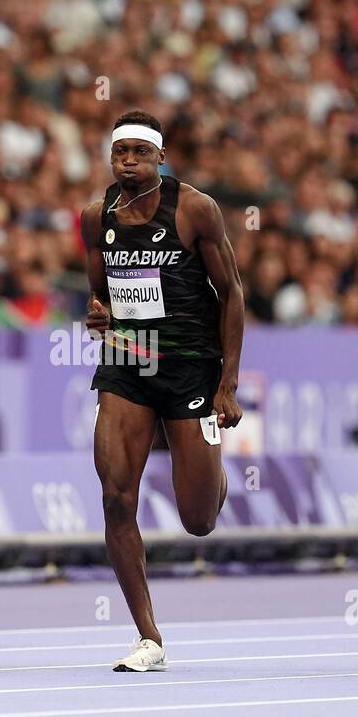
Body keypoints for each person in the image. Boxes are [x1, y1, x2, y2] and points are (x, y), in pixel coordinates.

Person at [82, 111, 245, 670]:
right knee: (115, 496)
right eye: (119, 152)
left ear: (159, 157)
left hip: (190, 370)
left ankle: (212, 474)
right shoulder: (94, 216)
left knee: (197, 519)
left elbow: (232, 294)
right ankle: (148, 635)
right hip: (127, 365)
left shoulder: (195, 209)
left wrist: (228, 384)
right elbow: (100, 293)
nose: (128, 161)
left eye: (139, 152)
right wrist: (100, 315)